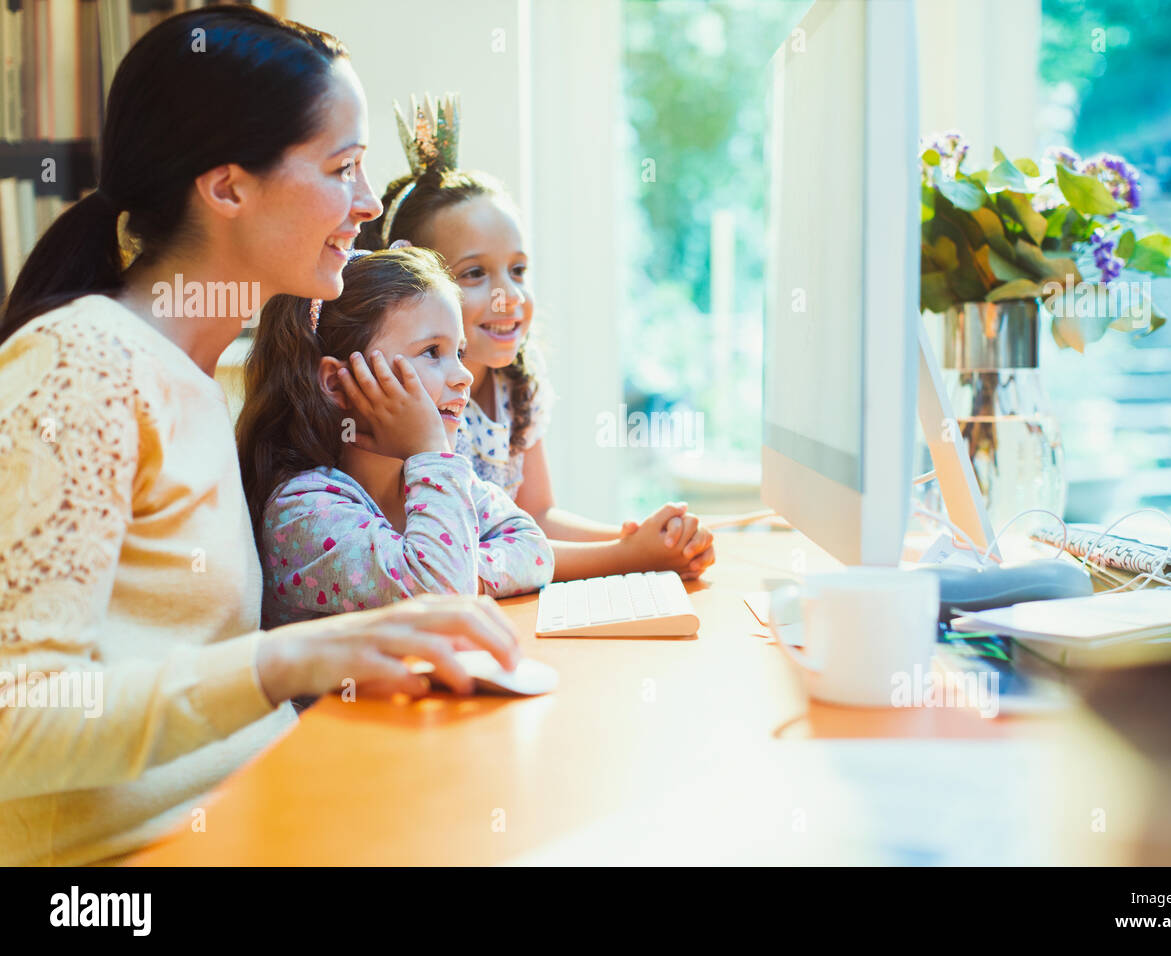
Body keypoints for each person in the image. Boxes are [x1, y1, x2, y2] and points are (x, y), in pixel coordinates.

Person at [0, 6, 517, 867]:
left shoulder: (199, 375)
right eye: (343, 168)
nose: (365, 205)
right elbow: (15, 717)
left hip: (254, 820)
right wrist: (287, 662)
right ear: (228, 186)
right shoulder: (81, 363)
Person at [357, 93, 717, 582]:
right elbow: (461, 554)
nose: (508, 297)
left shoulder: (516, 383)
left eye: (519, 269)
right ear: (414, 284)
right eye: (475, 273)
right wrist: (629, 557)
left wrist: (639, 540)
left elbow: (537, 518)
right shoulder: (412, 398)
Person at [237, 245, 554, 628]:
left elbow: (535, 551)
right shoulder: (302, 511)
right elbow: (443, 595)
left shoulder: (432, 482)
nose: (463, 376)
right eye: (432, 351)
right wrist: (430, 453)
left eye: (460, 352)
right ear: (338, 383)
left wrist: (461, 569)